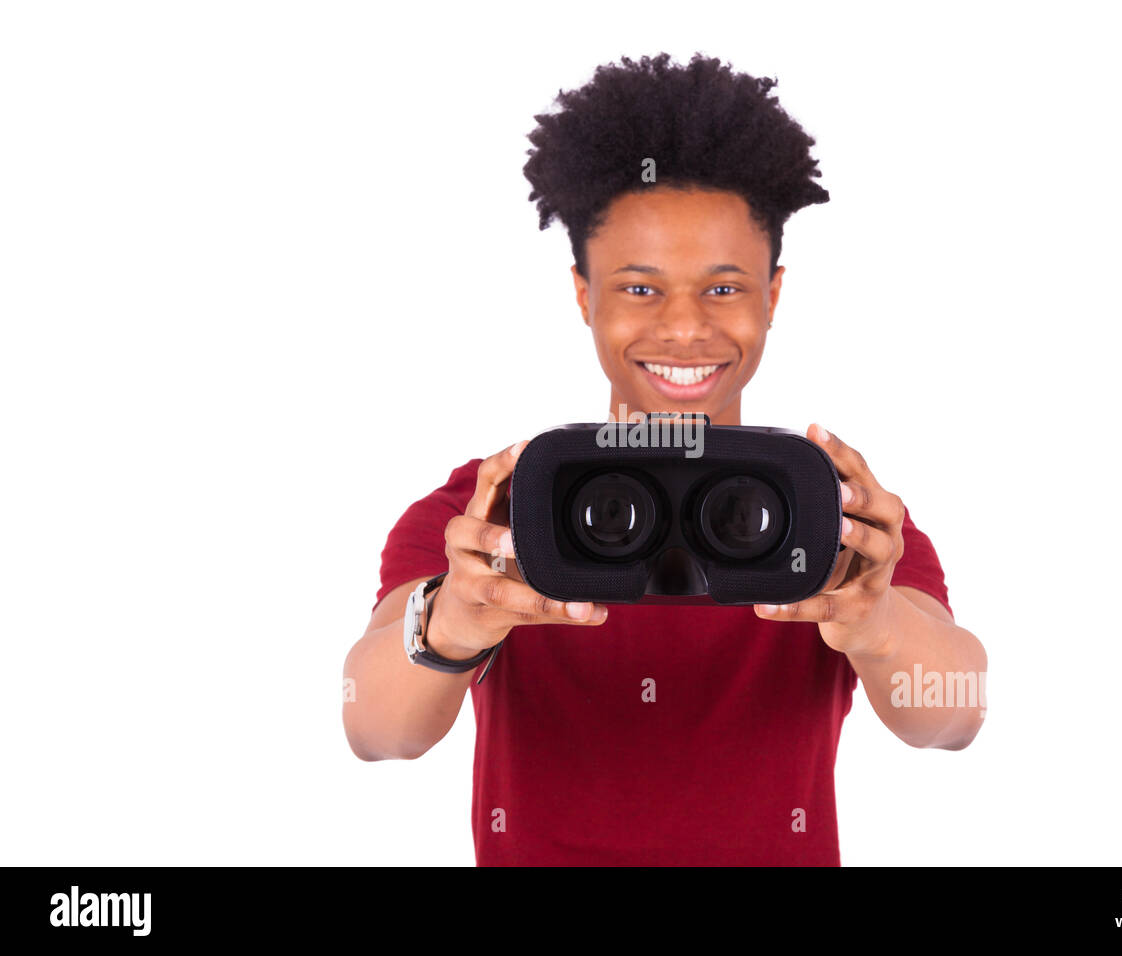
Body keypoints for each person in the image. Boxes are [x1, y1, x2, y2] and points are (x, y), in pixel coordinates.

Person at [342, 52, 988, 866]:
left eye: (723, 289)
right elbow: (374, 727)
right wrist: (455, 622)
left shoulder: (833, 512)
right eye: (640, 289)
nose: (685, 330)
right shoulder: (492, 509)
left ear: (772, 294)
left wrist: (876, 620)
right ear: (584, 294)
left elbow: (954, 715)